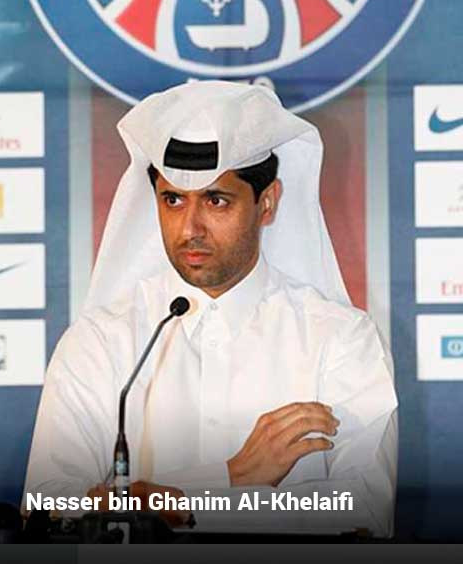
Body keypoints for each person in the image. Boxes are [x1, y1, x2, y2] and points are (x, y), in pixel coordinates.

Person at [23, 80, 398, 537]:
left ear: (267, 202)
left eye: (216, 200)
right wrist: (231, 478)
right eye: (173, 200)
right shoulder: (101, 340)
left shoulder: (341, 340)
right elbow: (47, 506)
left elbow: (361, 513)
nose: (190, 229)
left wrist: (168, 499)